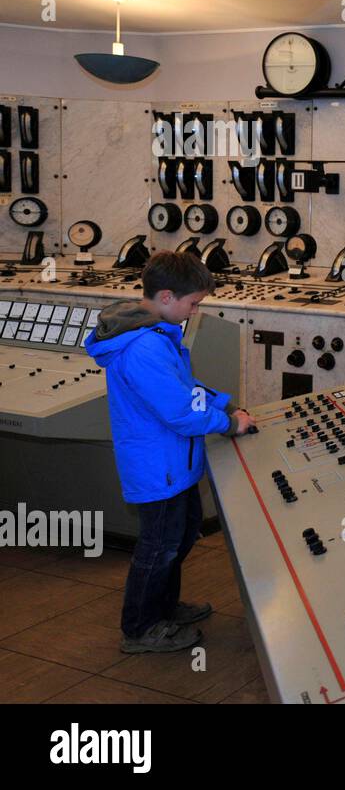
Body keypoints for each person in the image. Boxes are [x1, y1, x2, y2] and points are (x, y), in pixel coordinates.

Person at [85, 251, 254, 653]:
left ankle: (163, 607)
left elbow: (185, 387)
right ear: (165, 296)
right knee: (158, 547)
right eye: (193, 304)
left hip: (174, 463)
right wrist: (229, 425)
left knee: (179, 537)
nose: (194, 312)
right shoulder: (145, 347)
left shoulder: (157, 333)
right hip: (157, 466)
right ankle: (140, 628)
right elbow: (179, 411)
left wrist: (224, 405)